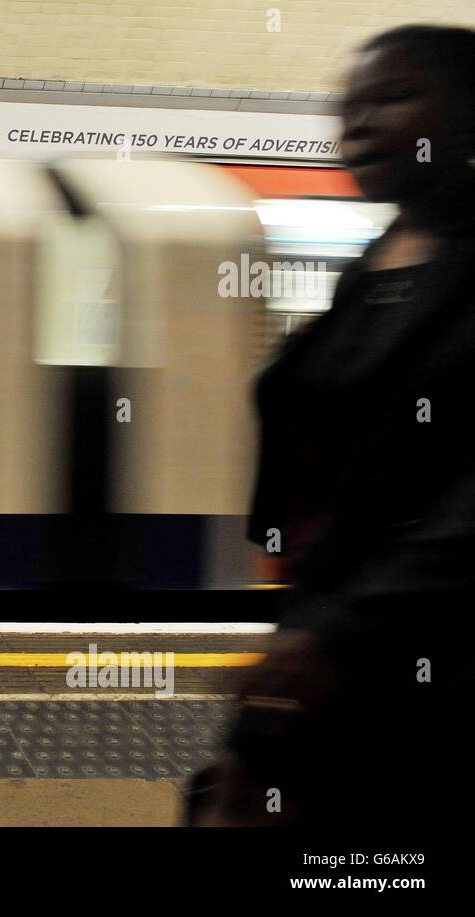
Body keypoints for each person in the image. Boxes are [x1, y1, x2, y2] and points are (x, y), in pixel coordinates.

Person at [189, 24, 475, 827]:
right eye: (346, 108)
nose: (357, 125)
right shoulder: (375, 262)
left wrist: (336, 635)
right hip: (336, 648)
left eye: (391, 98)